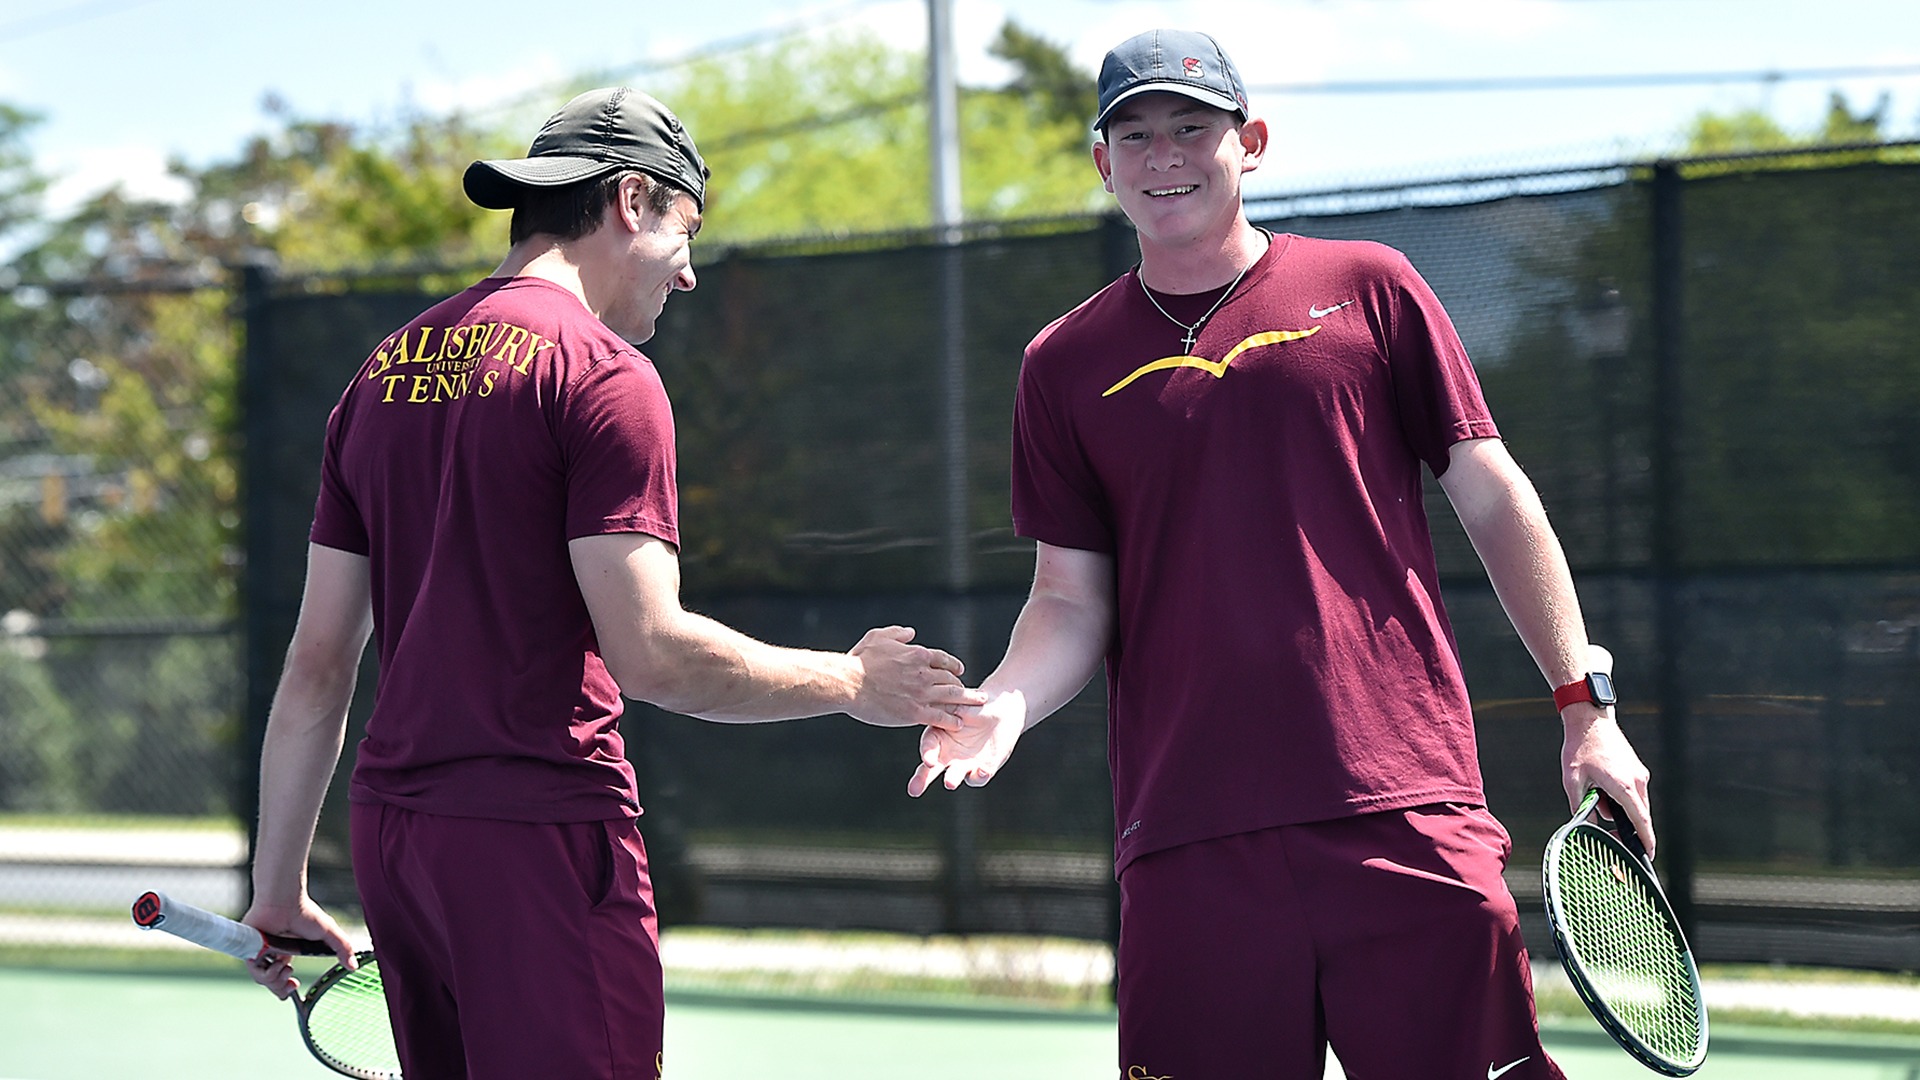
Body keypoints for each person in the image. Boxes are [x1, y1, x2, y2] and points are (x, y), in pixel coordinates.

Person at [908, 28, 1654, 1080]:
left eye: (1191, 128)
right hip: (1187, 837)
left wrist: (1589, 710)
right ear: (1102, 165)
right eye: (1136, 135)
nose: (1164, 155)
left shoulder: (1372, 287)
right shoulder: (1062, 364)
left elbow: (1495, 498)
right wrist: (1011, 700)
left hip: (1404, 807)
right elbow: (1070, 600)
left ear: (1249, 142)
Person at [240, 86, 985, 1080]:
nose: (687, 274)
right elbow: (655, 655)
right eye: (687, 230)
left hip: (395, 845)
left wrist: (277, 884)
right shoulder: (600, 375)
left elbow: (319, 663)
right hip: (539, 837)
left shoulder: (379, 376)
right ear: (631, 199)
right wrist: (852, 683)